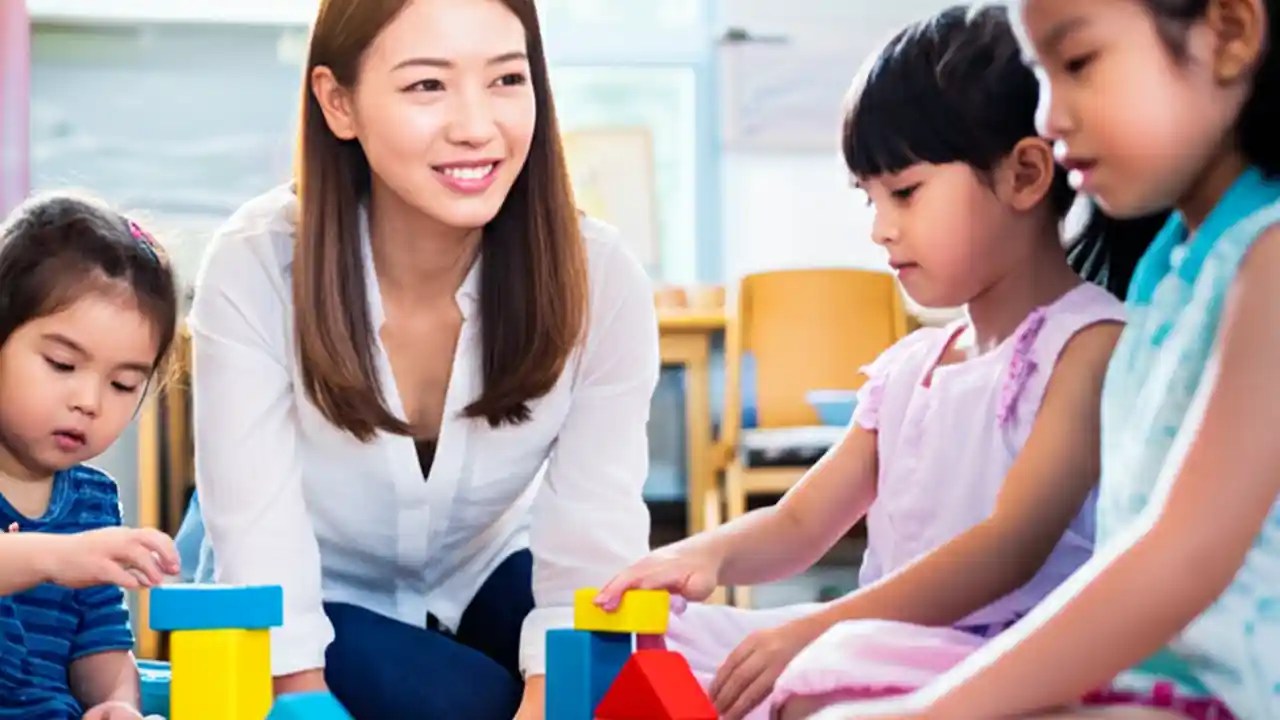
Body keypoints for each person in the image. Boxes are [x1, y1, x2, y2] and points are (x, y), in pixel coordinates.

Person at [596, 7, 1130, 720]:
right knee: (667, 637)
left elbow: (1008, 549)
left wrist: (820, 626)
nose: (880, 227)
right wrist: (703, 557)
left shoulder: (1086, 346)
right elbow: (797, 524)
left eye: (905, 193)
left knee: (819, 668)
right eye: (869, 198)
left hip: (997, 654)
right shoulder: (910, 368)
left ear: (1025, 175)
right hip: (869, 641)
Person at [183, 0, 659, 718]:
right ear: (338, 103)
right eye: (427, 86)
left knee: (605, 683)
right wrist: (301, 699)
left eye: (506, 79)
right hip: (308, 592)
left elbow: (590, 553)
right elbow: (262, 548)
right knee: (467, 702)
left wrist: (547, 704)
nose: (477, 126)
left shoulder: (601, 279)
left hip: (485, 566)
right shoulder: (255, 264)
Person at [808, 0, 1280, 718]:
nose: (1050, 116)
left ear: (1230, 33)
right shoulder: (1171, 267)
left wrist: (935, 710)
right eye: (1040, 74)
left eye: (1079, 62)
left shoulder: (1267, 259)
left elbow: (1177, 560)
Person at [0, 192, 182, 720]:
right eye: (61, 364)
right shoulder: (78, 545)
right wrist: (58, 556)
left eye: (124, 384)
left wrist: (116, 704)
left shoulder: (92, 501)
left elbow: (101, 648)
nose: (90, 401)